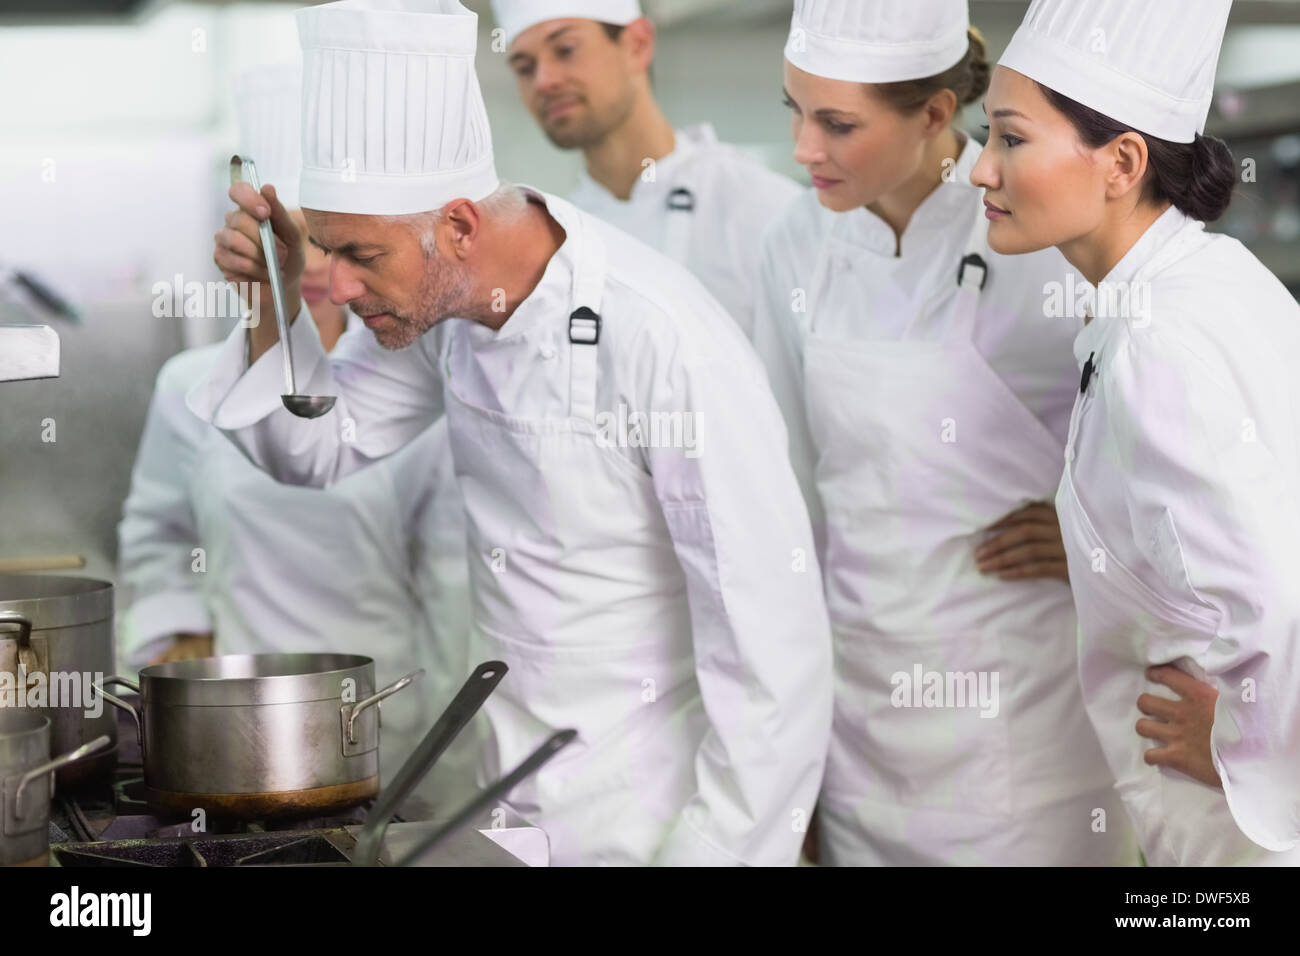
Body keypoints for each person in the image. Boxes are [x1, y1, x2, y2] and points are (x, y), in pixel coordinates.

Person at [194, 0, 832, 866]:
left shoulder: (663, 342)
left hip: (658, 821)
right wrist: (273, 300)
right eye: (326, 252)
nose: (337, 288)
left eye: (360, 257)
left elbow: (771, 657)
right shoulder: (444, 311)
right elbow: (313, 449)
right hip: (509, 803)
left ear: (457, 226)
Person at [753, 0, 1137, 865]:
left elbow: (1166, 465)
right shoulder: (794, 243)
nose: (803, 150)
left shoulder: (1038, 230)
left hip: (1027, 748)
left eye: (837, 123)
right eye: (796, 112)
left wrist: (1096, 536)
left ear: (933, 114)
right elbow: (785, 501)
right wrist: (786, 761)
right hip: (859, 730)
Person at [973, 0, 1300, 865]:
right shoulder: (1208, 278)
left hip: (1239, 837)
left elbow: (1282, 597)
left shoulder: (1153, 340)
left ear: (1122, 161)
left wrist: (1246, 745)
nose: (980, 170)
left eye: (1010, 139)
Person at [117, 61, 478, 810]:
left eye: (330, 241)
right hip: (229, 722)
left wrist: (450, 764)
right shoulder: (191, 385)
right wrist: (175, 626)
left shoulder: (410, 384)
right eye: (292, 238)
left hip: (380, 724)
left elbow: (451, 586)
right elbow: (157, 534)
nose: (313, 265)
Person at [491, 0, 801, 340]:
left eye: (565, 50)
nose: (544, 80)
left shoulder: (763, 207)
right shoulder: (558, 237)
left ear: (638, 45)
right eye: (524, 68)